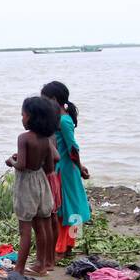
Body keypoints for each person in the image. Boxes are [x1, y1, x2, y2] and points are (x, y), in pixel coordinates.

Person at [5, 96, 58, 275]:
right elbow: (50, 168)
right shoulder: (46, 140)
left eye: (23, 115)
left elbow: (21, 165)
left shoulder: (24, 138)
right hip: (42, 183)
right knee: (42, 226)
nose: (22, 119)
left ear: (31, 117)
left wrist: (12, 160)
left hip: (26, 185)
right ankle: (41, 265)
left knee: (25, 230)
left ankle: (19, 268)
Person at [41, 80, 91, 256]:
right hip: (63, 167)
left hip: (66, 170)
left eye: (45, 99)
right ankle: (66, 245)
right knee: (67, 208)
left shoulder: (63, 121)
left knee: (71, 209)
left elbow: (72, 148)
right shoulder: (59, 119)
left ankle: (65, 246)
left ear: (54, 99)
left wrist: (79, 166)